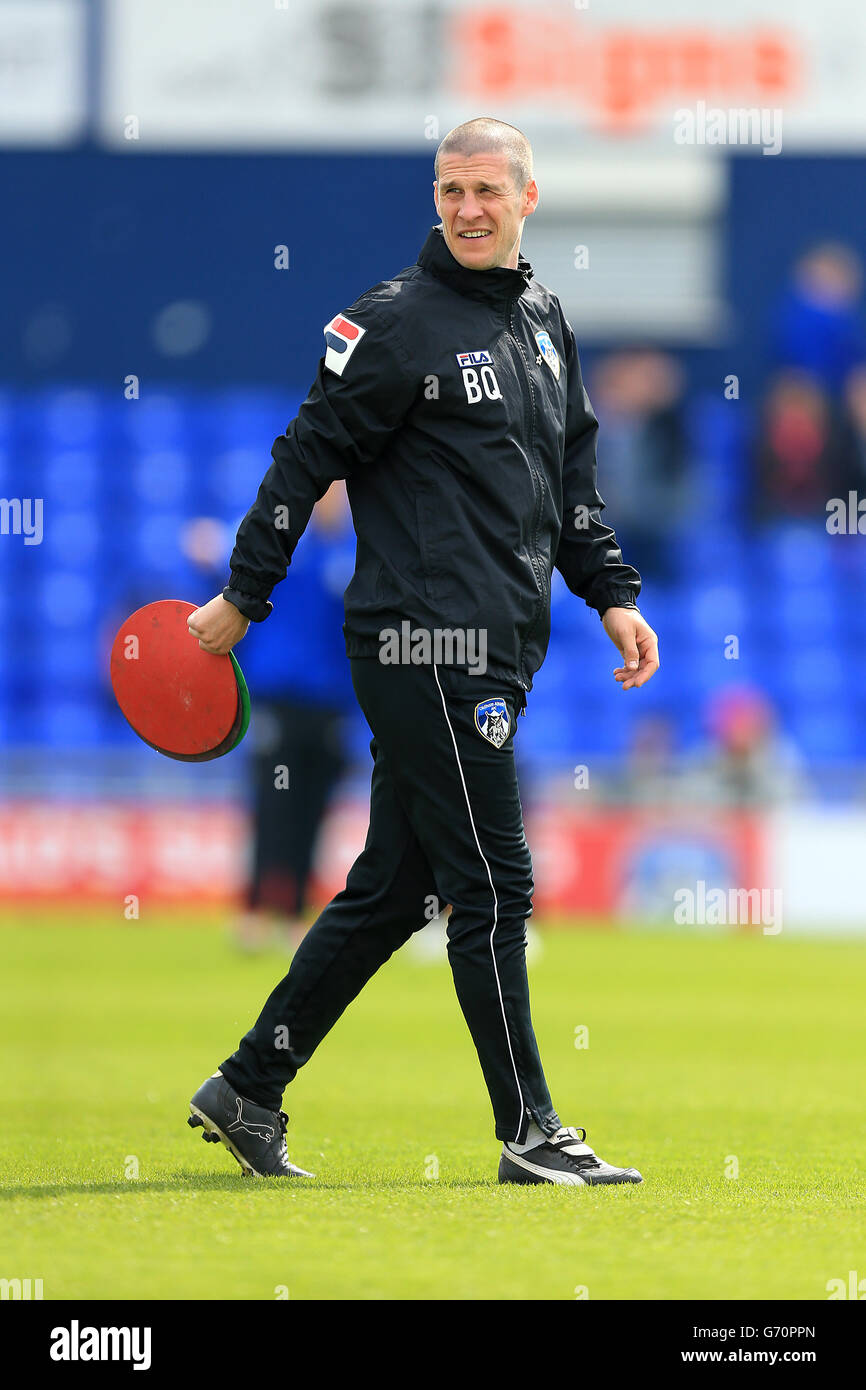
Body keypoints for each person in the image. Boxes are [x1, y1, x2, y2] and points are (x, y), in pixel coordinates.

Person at [185, 118, 659, 1187]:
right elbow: (304, 455)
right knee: (493, 882)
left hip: (498, 644)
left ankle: (248, 1087)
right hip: (422, 640)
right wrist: (244, 595)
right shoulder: (391, 323)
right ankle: (530, 1130)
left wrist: (612, 596)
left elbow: (571, 483)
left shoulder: (543, 320)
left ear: (527, 196)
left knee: (396, 888)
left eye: (486, 189)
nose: (467, 209)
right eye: (450, 190)